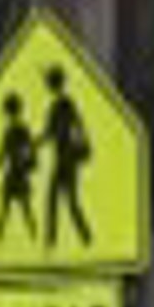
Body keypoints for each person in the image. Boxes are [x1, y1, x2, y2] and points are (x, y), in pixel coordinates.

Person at [43, 64, 94, 249]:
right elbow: (49, 132)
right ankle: (57, 240)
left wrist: (83, 145)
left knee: (66, 201)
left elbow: (75, 125)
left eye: (49, 81)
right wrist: (35, 143)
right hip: (63, 158)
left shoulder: (64, 104)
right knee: (60, 200)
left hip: (68, 158)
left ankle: (84, 237)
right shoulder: (56, 105)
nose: (47, 84)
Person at [0, 92, 39, 242]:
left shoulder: (22, 130)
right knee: (5, 207)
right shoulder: (9, 131)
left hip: (19, 174)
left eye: (10, 111)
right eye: (9, 112)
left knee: (25, 208)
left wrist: (24, 162)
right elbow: (3, 151)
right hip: (12, 173)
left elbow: (30, 150)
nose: (9, 115)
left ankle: (34, 236)